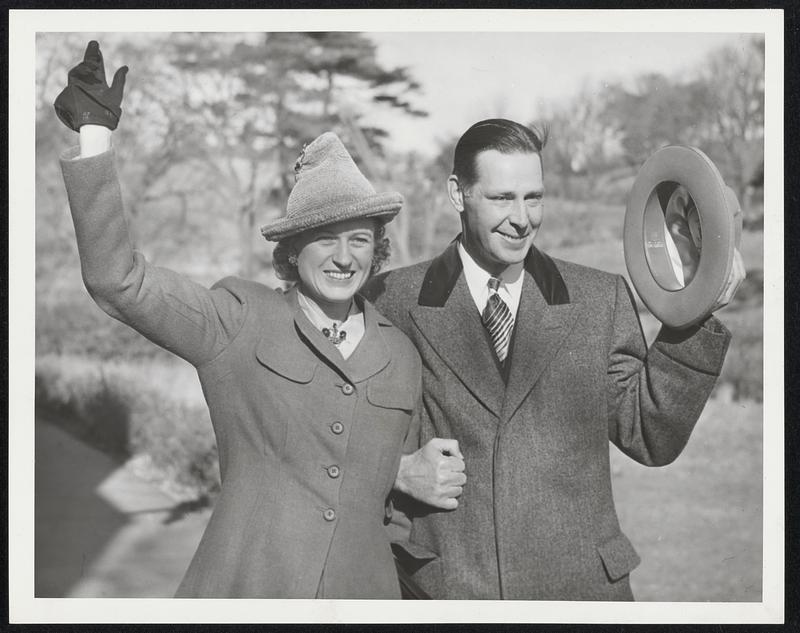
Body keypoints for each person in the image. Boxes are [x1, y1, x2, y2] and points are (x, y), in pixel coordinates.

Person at [54, 41, 458, 599]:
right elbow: (118, 280)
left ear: (378, 250)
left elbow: (393, 509)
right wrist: (95, 135)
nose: (345, 257)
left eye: (360, 240)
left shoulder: (401, 356)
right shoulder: (237, 321)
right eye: (324, 240)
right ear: (291, 251)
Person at [369, 118, 746, 600]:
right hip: (450, 591)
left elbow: (650, 436)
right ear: (457, 193)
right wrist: (397, 471)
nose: (522, 218)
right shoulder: (391, 300)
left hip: (581, 593)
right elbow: (336, 436)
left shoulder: (598, 297)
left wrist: (693, 318)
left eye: (534, 197)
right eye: (502, 198)